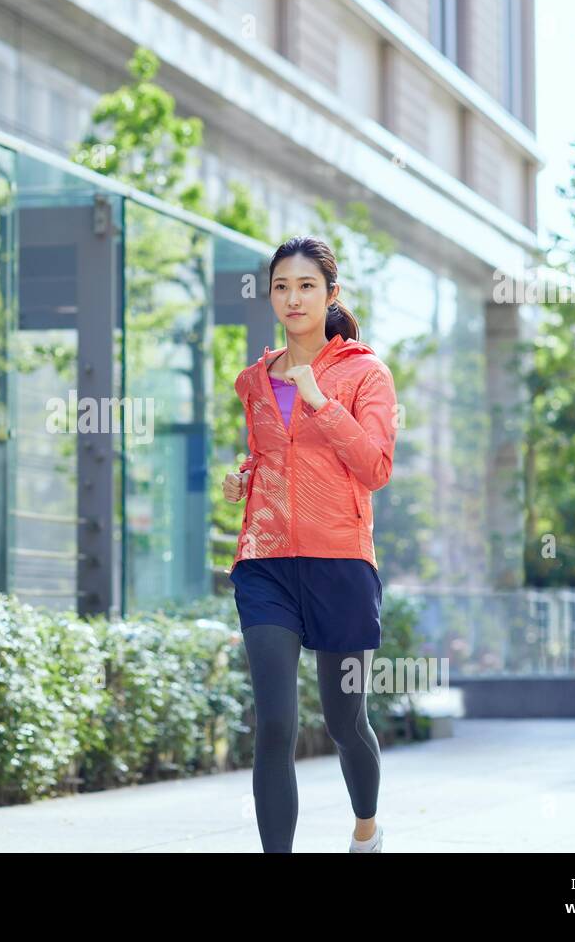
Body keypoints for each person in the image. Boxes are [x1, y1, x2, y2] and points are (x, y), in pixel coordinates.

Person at [221, 235, 398, 853]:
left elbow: (374, 466)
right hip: (266, 564)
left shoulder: (364, 373)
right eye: (280, 287)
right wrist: (244, 476)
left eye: (305, 286)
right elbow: (272, 454)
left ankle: (366, 830)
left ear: (330, 295)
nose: (292, 298)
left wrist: (321, 400)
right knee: (274, 723)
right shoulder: (254, 380)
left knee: (346, 721)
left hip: (341, 564)